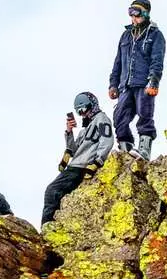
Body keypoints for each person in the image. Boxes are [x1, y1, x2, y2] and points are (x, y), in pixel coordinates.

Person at [41, 91, 115, 225]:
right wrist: (69, 132)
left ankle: (47, 226)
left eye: (84, 108)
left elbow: (107, 141)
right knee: (58, 194)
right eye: (79, 111)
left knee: (52, 190)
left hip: (81, 167)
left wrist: (97, 162)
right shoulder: (84, 129)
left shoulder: (101, 119)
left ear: (92, 105)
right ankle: (55, 224)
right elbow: (74, 150)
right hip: (75, 165)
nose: (82, 113)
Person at [107, 0, 166, 159]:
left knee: (145, 115)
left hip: (144, 83)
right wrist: (113, 84)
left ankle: (144, 150)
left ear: (145, 13)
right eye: (130, 13)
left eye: (137, 13)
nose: (133, 17)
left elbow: (157, 61)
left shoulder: (155, 35)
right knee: (119, 116)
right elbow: (118, 62)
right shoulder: (126, 36)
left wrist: (153, 81)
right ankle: (125, 148)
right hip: (125, 84)